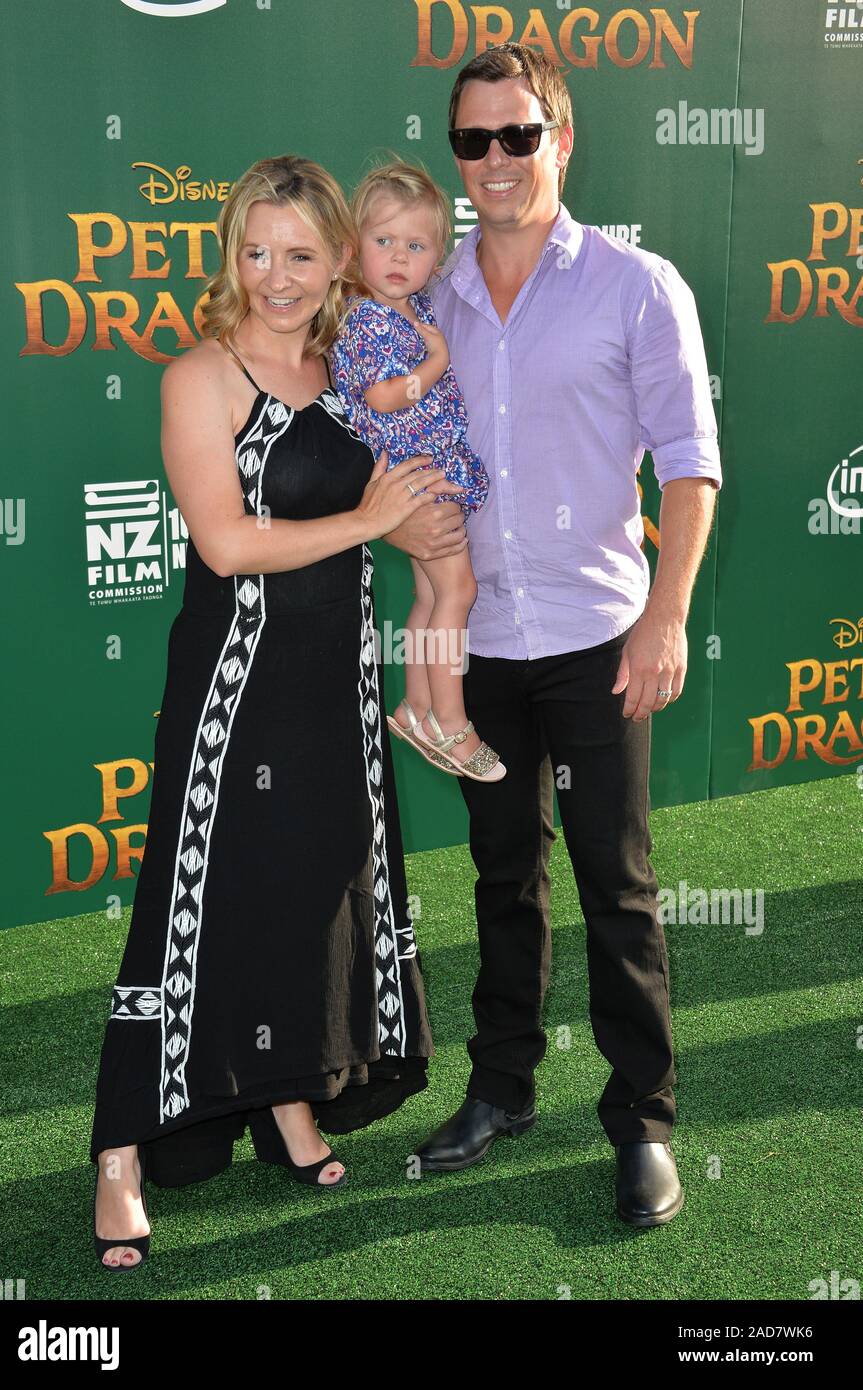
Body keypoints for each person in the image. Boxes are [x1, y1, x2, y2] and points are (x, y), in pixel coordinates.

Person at [383, 43, 722, 1226]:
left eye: (517, 135)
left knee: (616, 886)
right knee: (499, 876)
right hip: (481, 643)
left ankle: (643, 1120)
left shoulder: (637, 286)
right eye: (473, 140)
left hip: (596, 633)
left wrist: (666, 618)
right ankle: (502, 1088)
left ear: (560, 140)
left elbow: (688, 471)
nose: (495, 160)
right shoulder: (425, 299)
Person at [89, 154, 443, 1269]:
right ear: (230, 255)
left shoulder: (350, 366)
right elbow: (227, 544)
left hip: (333, 679)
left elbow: (429, 470)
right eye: (257, 252)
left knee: (308, 889)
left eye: (301, 254)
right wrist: (369, 519)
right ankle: (120, 1153)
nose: (279, 277)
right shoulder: (200, 376)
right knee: (193, 900)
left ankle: (289, 1097)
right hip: (234, 687)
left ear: (339, 256)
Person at [330, 159, 504, 784]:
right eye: (384, 242)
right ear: (354, 250)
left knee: (432, 593)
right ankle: (453, 725)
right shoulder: (367, 316)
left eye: (417, 245)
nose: (399, 256)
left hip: (425, 468)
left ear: (438, 256)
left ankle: (416, 705)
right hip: (415, 473)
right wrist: (436, 360)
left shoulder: (412, 306)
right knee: (457, 591)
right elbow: (382, 397)